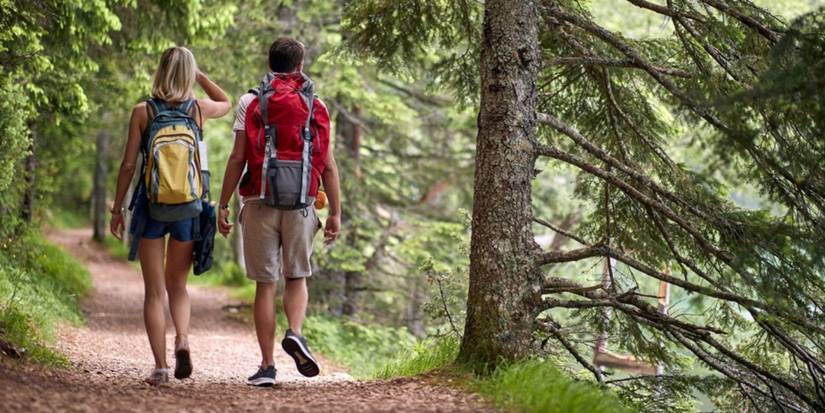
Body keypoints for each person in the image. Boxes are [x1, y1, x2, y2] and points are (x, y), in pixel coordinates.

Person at [217, 37, 341, 387]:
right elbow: (328, 164)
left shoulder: (250, 101)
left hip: (258, 201)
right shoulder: (316, 104)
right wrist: (335, 213)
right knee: (297, 276)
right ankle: (296, 333)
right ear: (300, 66)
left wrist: (222, 203)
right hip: (302, 202)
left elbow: (238, 157)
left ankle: (268, 366)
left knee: (265, 284)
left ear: (269, 64)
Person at [110, 46, 231, 386]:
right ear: (188, 74)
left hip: (151, 208)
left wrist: (117, 209)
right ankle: (182, 339)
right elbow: (226, 101)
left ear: (160, 72)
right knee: (178, 285)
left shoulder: (143, 112)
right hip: (188, 209)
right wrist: (200, 76)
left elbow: (129, 165)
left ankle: (161, 369)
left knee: (154, 291)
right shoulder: (199, 109)